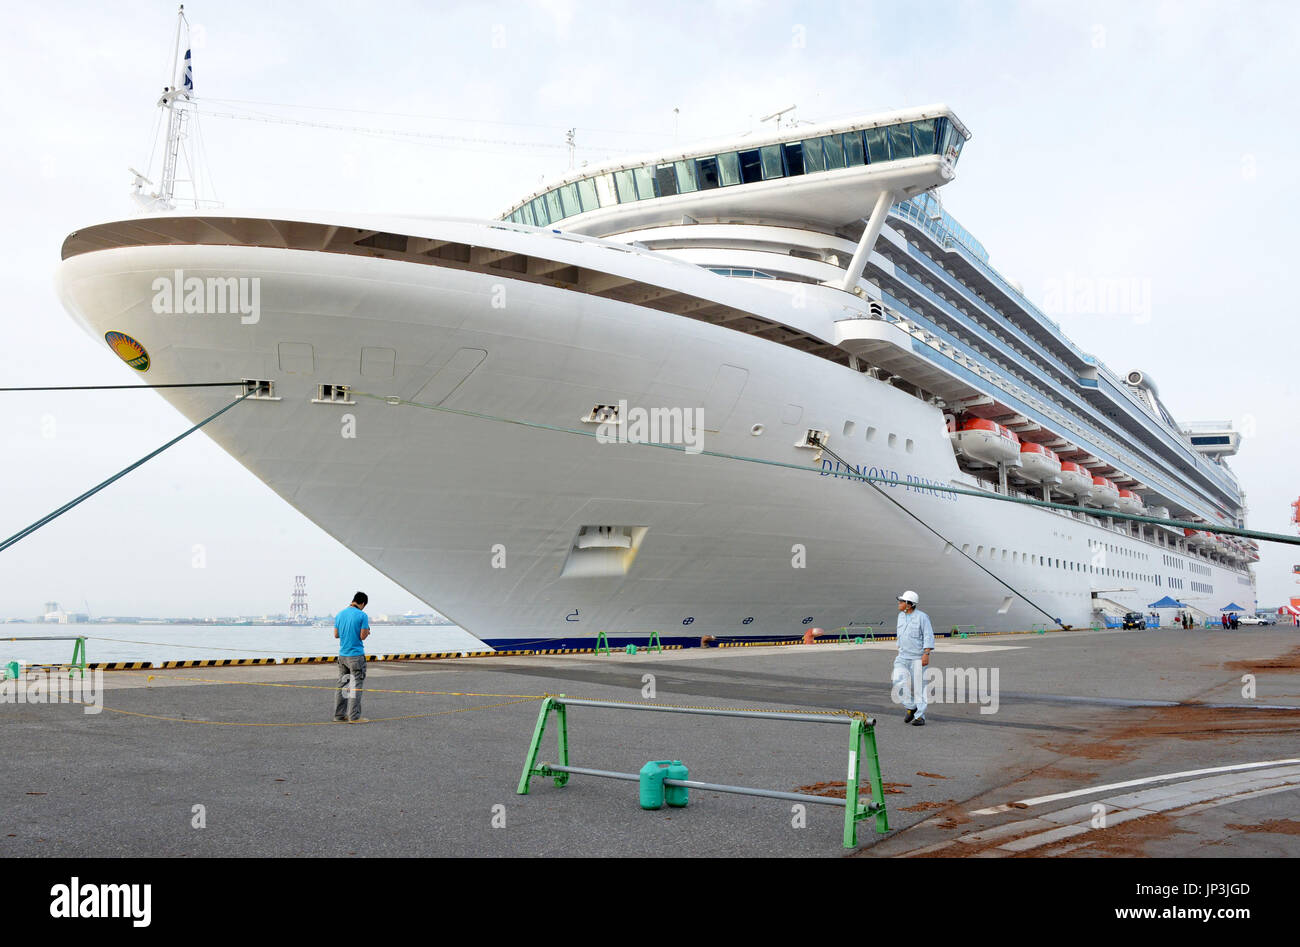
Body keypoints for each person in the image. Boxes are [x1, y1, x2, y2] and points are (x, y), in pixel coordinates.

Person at [891, 590, 934, 727]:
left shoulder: (922, 617)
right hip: (902, 656)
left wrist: (926, 653)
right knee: (897, 682)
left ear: (909, 604)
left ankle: (920, 716)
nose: (899, 603)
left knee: (919, 688)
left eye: (902, 601)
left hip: (917, 657)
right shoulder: (900, 616)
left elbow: (928, 635)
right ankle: (911, 706)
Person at [333, 591, 371, 722]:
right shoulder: (362, 615)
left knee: (342, 685)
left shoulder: (339, 614)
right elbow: (362, 636)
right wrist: (368, 632)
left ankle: (339, 715)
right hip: (356, 656)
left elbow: (336, 635)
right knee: (356, 685)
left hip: (342, 656)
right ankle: (354, 717)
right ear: (363, 603)